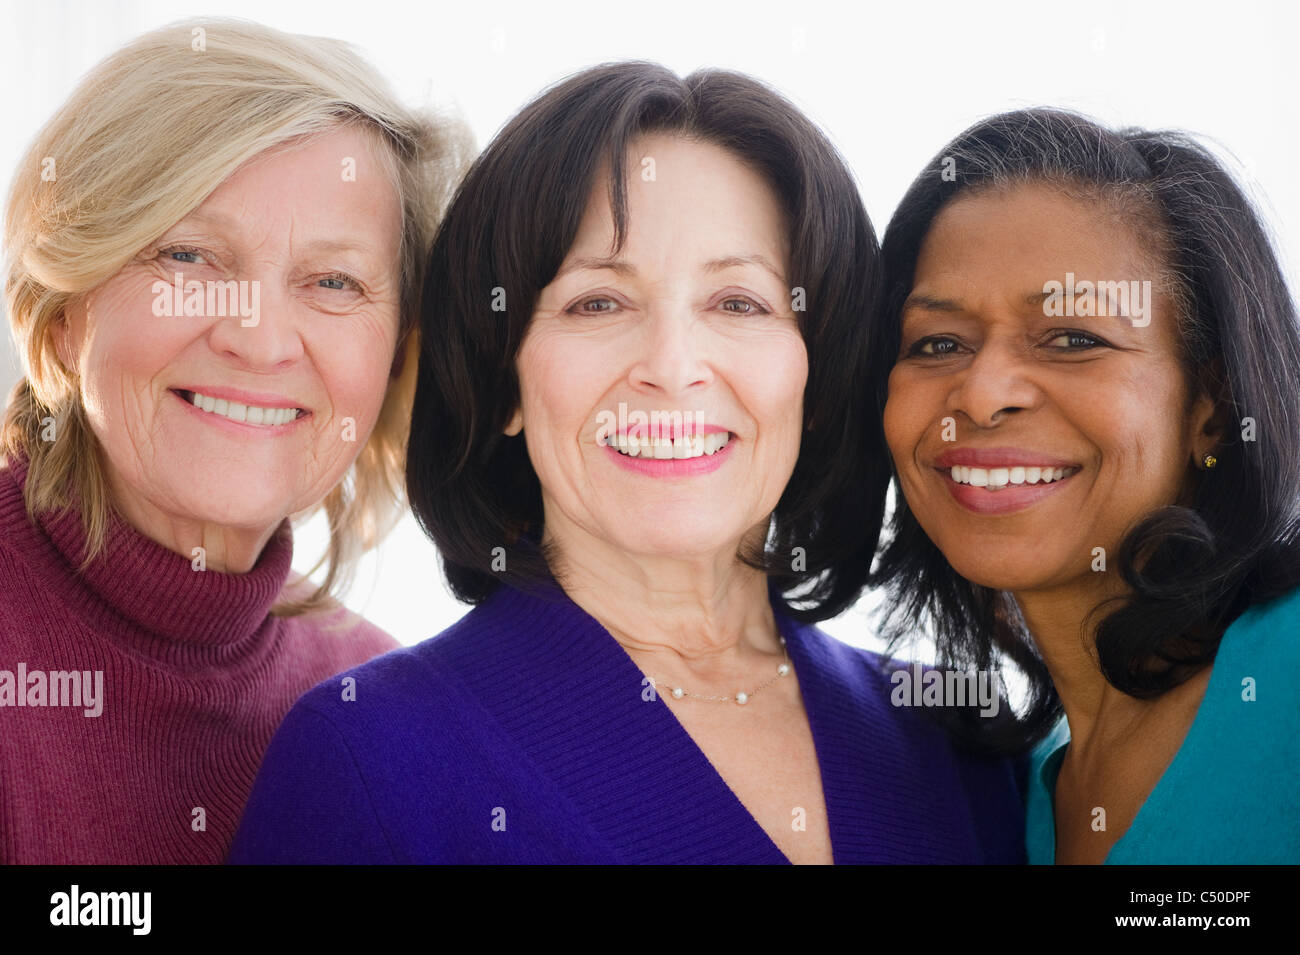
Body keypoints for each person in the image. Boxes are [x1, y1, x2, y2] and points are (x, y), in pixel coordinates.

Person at [230, 62, 1026, 864]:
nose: (672, 366)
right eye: (597, 303)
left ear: (816, 378)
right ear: (501, 377)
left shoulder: (962, 738)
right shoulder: (365, 758)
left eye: (739, 303)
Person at [0, 18, 470, 863]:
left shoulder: (383, 712)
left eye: (333, 282)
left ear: (398, 355)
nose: (260, 341)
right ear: (65, 314)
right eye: (188, 255)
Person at [872, 108, 1300, 863]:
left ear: (1210, 408)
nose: (980, 394)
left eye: (1074, 339)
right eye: (938, 343)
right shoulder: (1017, 797)